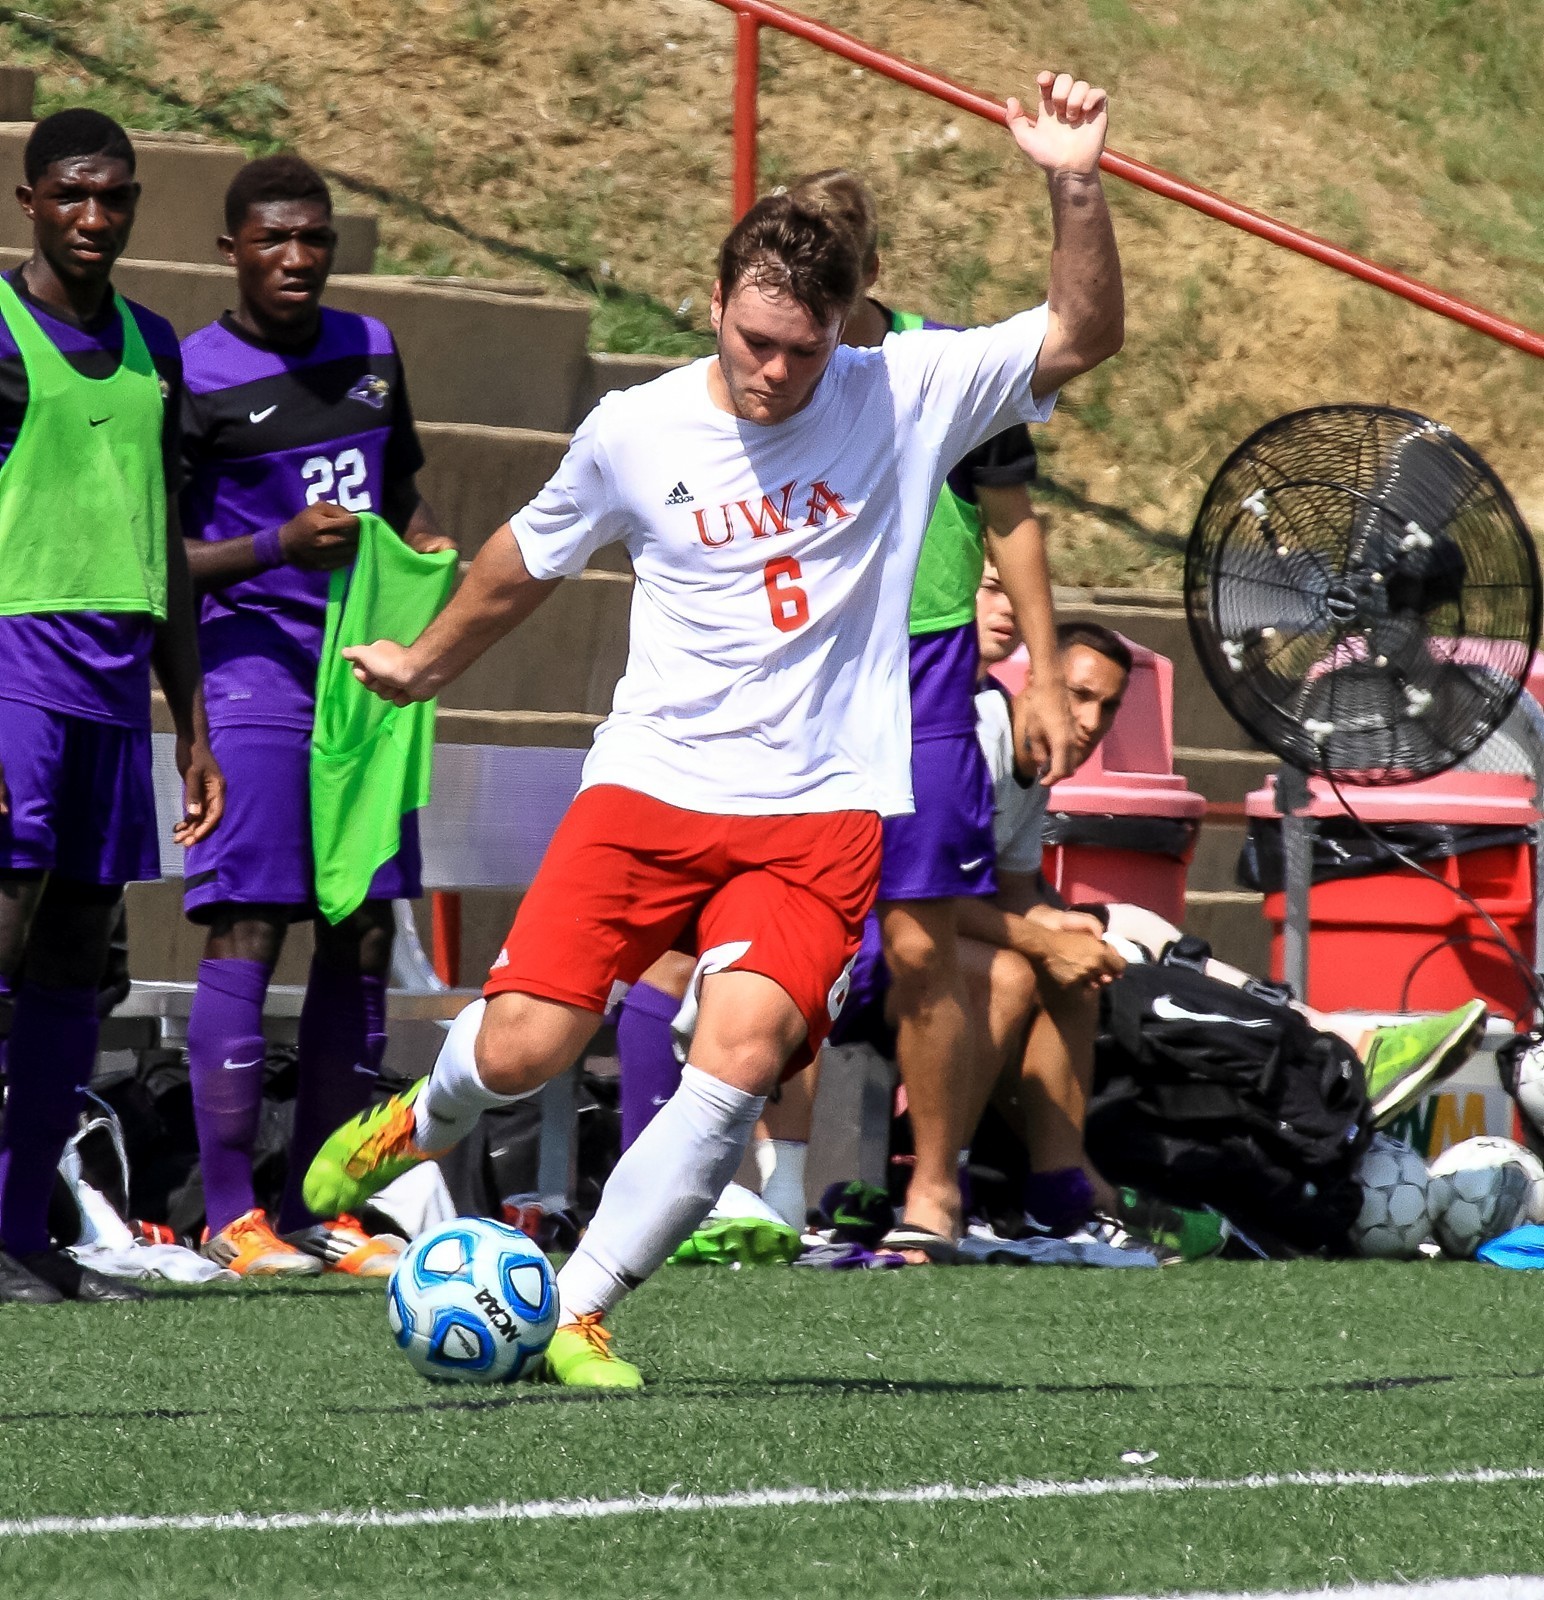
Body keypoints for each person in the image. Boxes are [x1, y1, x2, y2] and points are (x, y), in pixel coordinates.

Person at [305, 69, 1125, 1388]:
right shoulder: (636, 430)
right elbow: (524, 559)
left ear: (845, 324)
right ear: (713, 304)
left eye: (803, 348)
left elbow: (1082, 332)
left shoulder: (905, 389)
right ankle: (427, 1111)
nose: (774, 371)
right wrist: (421, 663)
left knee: (738, 1057)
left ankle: (577, 1308)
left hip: (818, 811)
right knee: (522, 1047)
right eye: (753, 340)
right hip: (651, 788)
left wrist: (1073, 182)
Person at [787, 167, 1076, 1262]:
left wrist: (1042, 676)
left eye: (835, 270)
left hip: (924, 676)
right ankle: (771, 1187)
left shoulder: (945, 367)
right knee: (786, 933)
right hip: (805, 674)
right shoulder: (773, 364)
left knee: (920, 945)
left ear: (873, 269)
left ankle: (936, 1189)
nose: (814, 293)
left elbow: (1011, 520)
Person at [178, 155, 453, 1278]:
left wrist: (426, 547)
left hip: (365, 675)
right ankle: (230, 1214)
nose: (297, 258)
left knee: (368, 925)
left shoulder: (374, 349)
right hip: (252, 669)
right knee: (253, 917)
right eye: (273, 239)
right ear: (231, 250)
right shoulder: (190, 373)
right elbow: (159, 558)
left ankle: (322, 1206)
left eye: (315, 238)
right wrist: (274, 546)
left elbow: (402, 494)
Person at [0, 109, 222, 1304]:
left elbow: (166, 545)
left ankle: (24, 1232)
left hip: (112, 690)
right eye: (73, 194)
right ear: (29, 200)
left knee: (74, 968)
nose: (96, 216)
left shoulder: (154, 344)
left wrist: (192, 723)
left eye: (116, 195)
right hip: (15, 667)